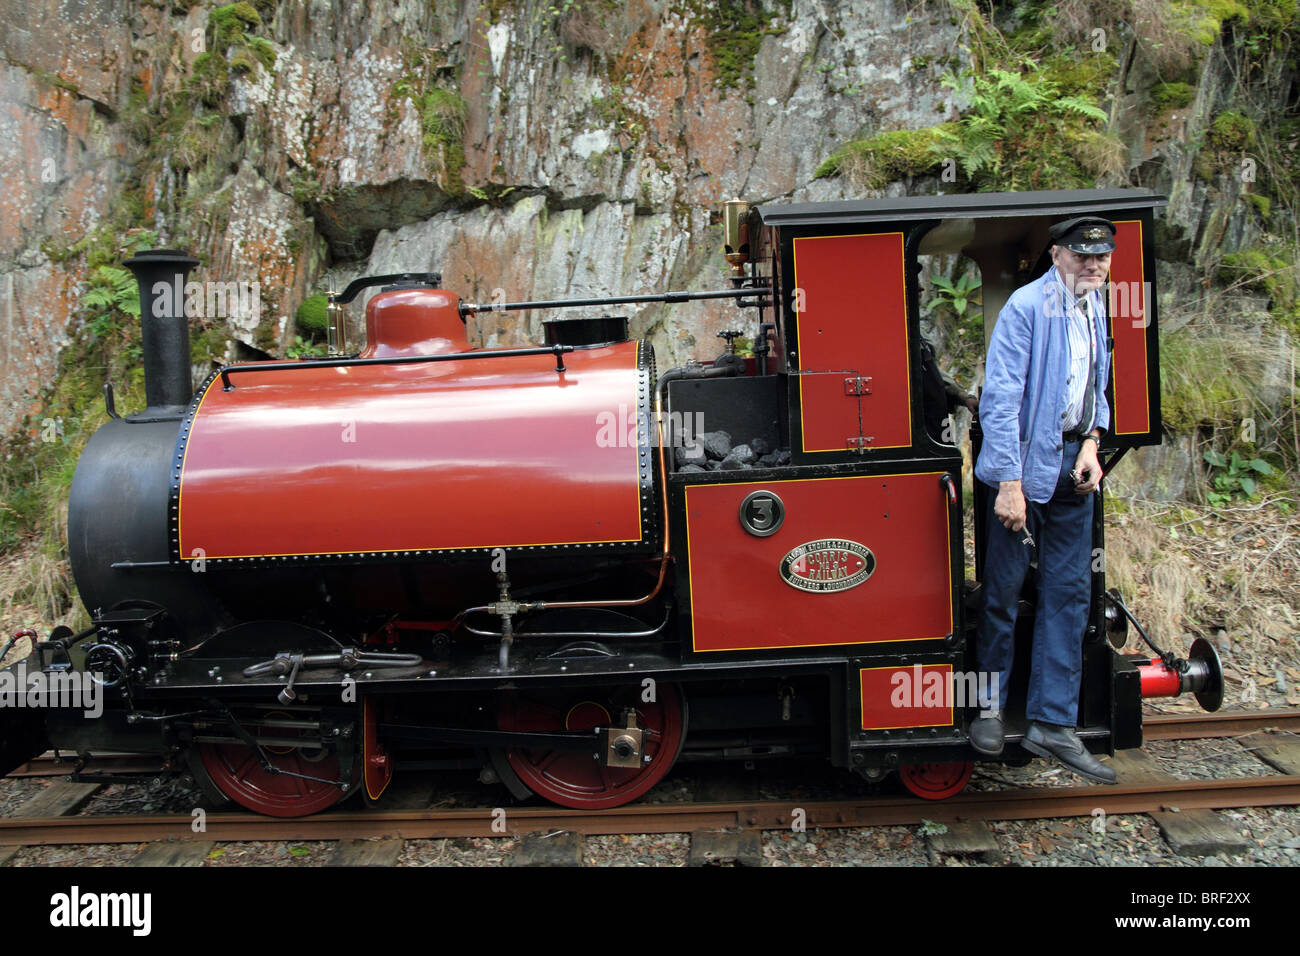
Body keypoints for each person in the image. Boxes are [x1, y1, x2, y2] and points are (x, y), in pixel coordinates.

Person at [968, 216, 1118, 785]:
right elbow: (1001, 400)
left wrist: (1092, 443)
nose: (1094, 266)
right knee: (1003, 591)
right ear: (1057, 256)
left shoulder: (1094, 308)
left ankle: (1052, 723)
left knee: (1069, 594)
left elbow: (1094, 389)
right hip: (1023, 466)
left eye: (1101, 258)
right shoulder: (1026, 309)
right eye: (1083, 257)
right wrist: (1007, 482)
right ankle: (988, 705)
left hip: (1072, 464)